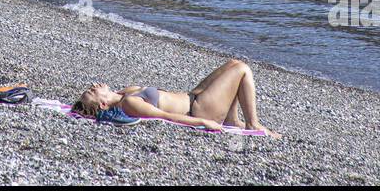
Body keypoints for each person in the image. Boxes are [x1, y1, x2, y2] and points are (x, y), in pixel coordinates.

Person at [71, 58, 280, 138]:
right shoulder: (130, 103)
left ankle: (233, 120)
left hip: (194, 96)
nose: (93, 86)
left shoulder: (125, 93)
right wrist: (203, 122)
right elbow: (165, 116)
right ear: (103, 103)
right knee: (242, 69)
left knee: (234, 63)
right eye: (92, 91)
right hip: (198, 109)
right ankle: (253, 124)